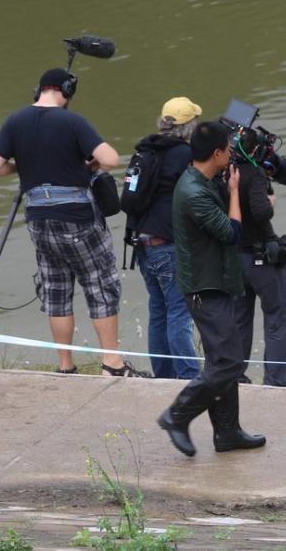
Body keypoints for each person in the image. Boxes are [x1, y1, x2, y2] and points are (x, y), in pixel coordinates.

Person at [0, 67, 145, 377]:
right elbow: (110, 159)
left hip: (38, 220)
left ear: (40, 89)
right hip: (77, 218)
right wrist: (87, 161)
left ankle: (65, 365)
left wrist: (23, 167)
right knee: (100, 284)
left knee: (56, 289)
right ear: (66, 91)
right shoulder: (73, 122)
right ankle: (112, 363)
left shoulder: (15, 120)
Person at [157, 121, 265, 457]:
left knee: (222, 359)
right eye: (229, 149)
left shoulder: (201, 180)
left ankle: (228, 432)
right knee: (230, 362)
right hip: (205, 288)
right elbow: (231, 232)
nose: (232, 153)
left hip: (215, 283)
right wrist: (234, 192)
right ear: (217, 153)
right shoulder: (193, 193)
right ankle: (177, 415)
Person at [125, 97, 202, 380]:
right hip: (169, 246)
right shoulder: (184, 155)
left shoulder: (147, 150)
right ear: (189, 126)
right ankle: (189, 375)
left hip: (143, 245)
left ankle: (164, 375)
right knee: (179, 312)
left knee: (158, 310)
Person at [232, 129, 286, 387]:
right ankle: (276, 379)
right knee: (276, 317)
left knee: (240, 318)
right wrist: (270, 202)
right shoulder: (255, 174)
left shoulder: (225, 173)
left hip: (236, 257)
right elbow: (261, 212)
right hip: (261, 258)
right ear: (255, 151)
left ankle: (235, 374)